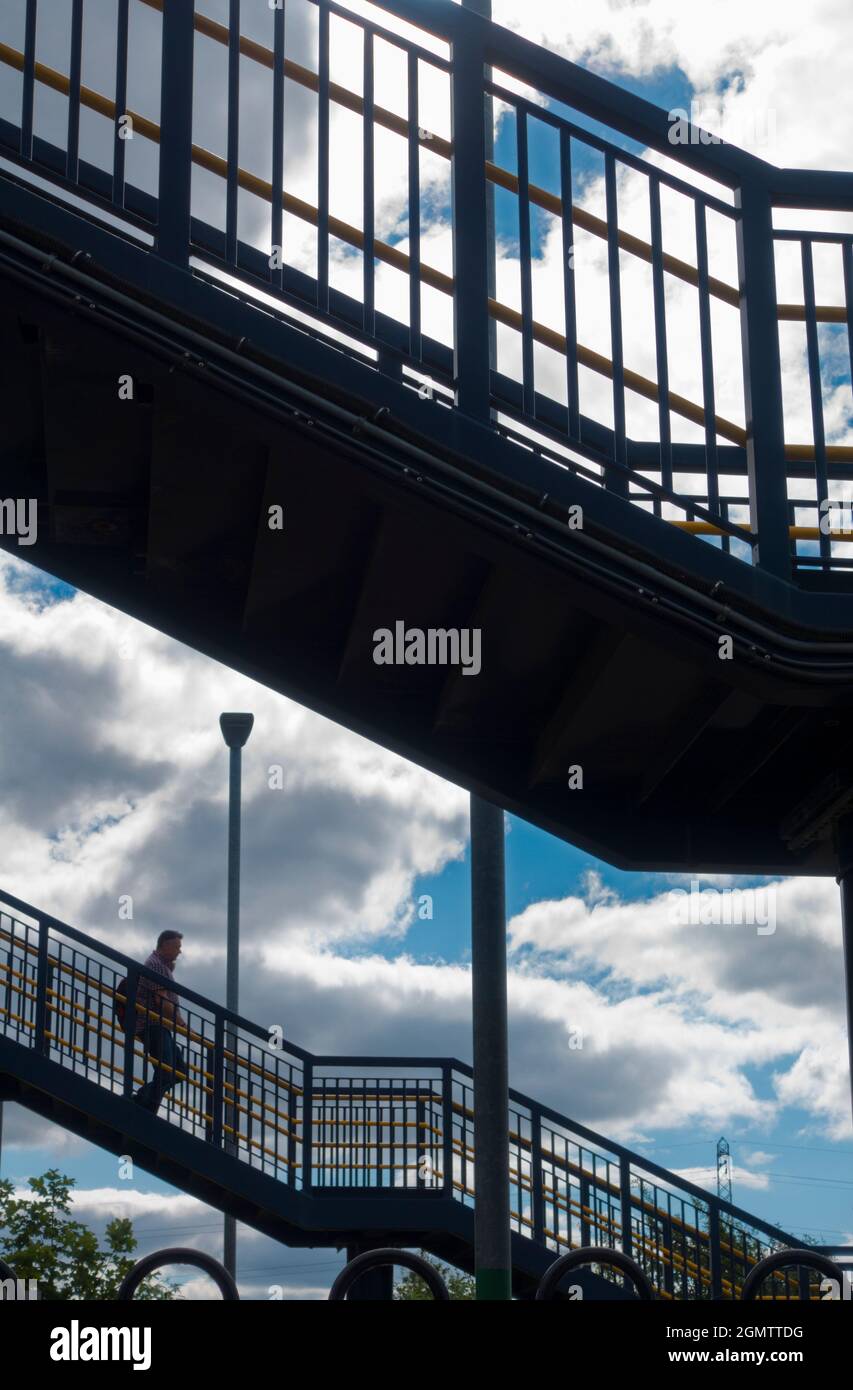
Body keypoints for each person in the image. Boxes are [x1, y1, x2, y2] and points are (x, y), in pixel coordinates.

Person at [133, 931, 186, 1115]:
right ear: (164, 944)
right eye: (177, 947)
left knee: (178, 1071)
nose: (180, 951)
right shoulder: (155, 966)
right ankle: (143, 1106)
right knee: (167, 1072)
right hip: (152, 1025)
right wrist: (181, 1024)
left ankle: (143, 1103)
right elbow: (161, 1001)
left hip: (160, 1026)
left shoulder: (161, 966)